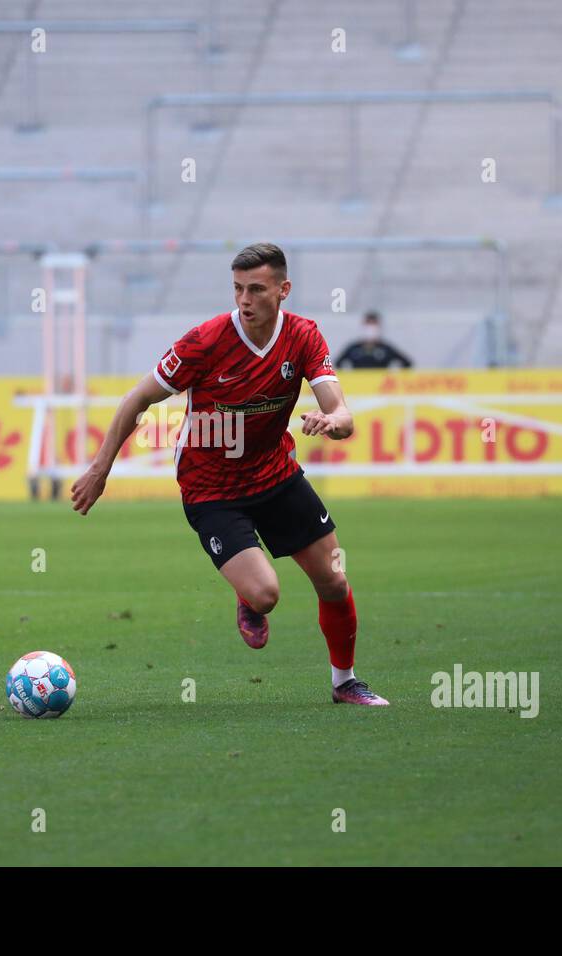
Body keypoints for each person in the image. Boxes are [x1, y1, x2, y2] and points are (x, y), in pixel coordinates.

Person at [70, 243, 388, 705]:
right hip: (212, 490)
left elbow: (340, 411)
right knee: (266, 595)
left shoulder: (303, 336)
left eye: (256, 289)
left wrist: (334, 422)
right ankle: (248, 592)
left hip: (277, 476)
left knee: (335, 579)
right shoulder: (204, 342)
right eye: (238, 289)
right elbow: (137, 400)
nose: (244, 299)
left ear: (283, 290)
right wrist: (100, 469)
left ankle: (346, 683)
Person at [334, 311, 413, 369]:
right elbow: (337, 364)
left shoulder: (386, 348)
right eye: (368, 324)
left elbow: (407, 363)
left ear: (379, 327)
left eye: (374, 324)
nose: (370, 328)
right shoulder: (353, 348)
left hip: (380, 388)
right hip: (358, 387)